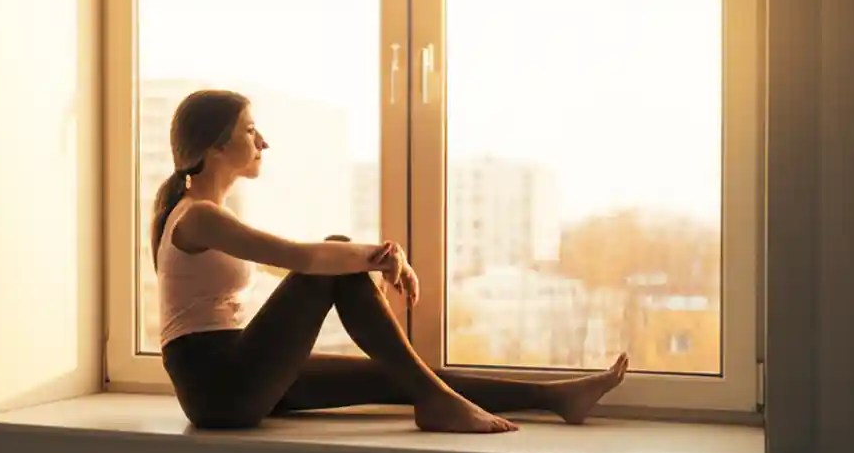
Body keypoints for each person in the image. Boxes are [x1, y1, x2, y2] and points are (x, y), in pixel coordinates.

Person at [153, 89, 627, 433]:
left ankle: (554, 396)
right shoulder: (200, 217)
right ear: (216, 146)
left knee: (400, 375)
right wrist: (379, 258)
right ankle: (440, 404)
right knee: (337, 254)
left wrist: (371, 259)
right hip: (220, 384)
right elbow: (301, 257)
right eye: (250, 130)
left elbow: (291, 265)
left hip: (236, 370)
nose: (263, 142)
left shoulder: (209, 214)